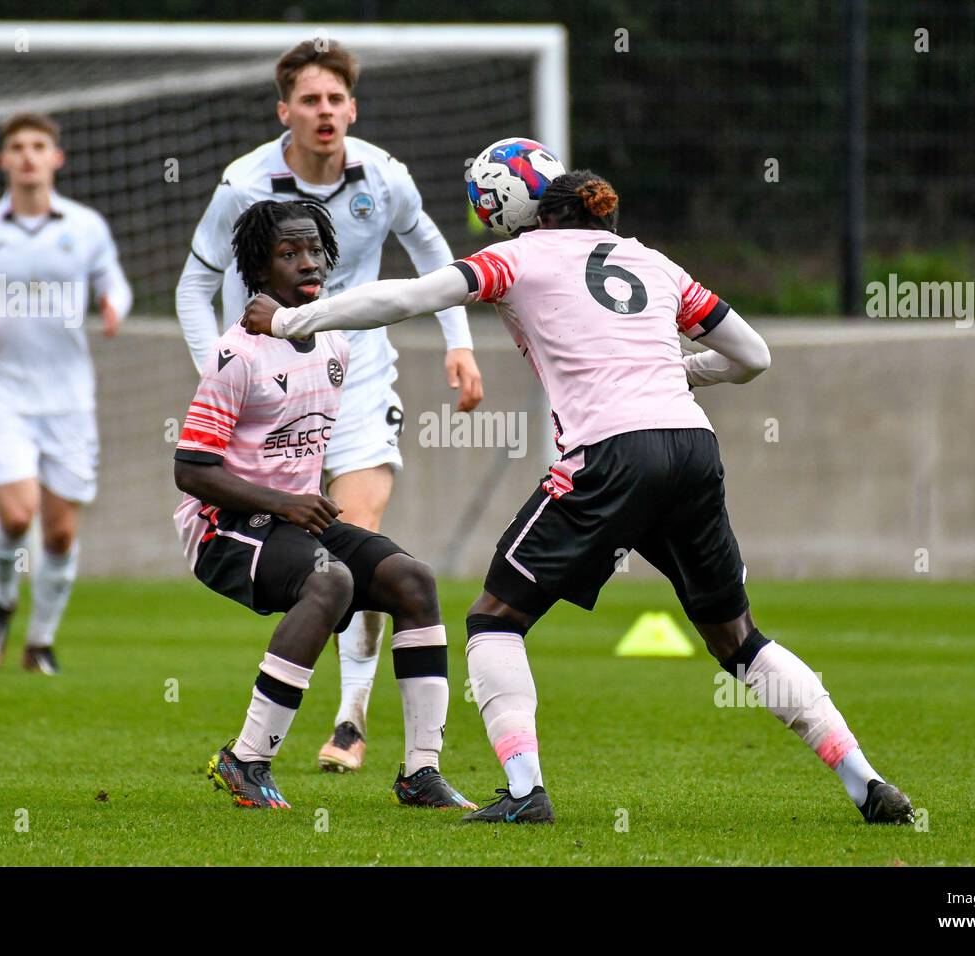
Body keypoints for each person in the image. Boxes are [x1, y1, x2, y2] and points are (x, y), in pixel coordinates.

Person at [239, 169, 915, 826]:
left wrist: (298, 321)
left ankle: (525, 790)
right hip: (691, 447)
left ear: (544, 216)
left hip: (610, 454)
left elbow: (410, 298)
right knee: (739, 639)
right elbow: (754, 356)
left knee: (494, 620)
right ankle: (865, 781)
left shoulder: (519, 255)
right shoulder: (651, 261)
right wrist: (672, 370)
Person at [176, 39, 485, 773]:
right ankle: (253, 752)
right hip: (261, 389)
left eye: (336, 99)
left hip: (355, 376)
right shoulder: (242, 184)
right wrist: (225, 372)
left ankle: (353, 721)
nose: (324, 112)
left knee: (365, 541)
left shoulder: (385, 176)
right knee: (325, 566)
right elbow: (194, 285)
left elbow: (438, 259)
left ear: (353, 107)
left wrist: (460, 344)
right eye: (309, 100)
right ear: (285, 110)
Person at [0, 111, 132, 676]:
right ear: (3, 160)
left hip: (68, 397)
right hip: (3, 393)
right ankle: (2, 599)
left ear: (56, 158)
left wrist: (116, 305)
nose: (27, 155)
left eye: (38, 145)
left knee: (61, 529)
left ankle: (40, 641)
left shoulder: (85, 226)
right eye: (17, 146)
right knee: (18, 516)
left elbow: (113, 280)